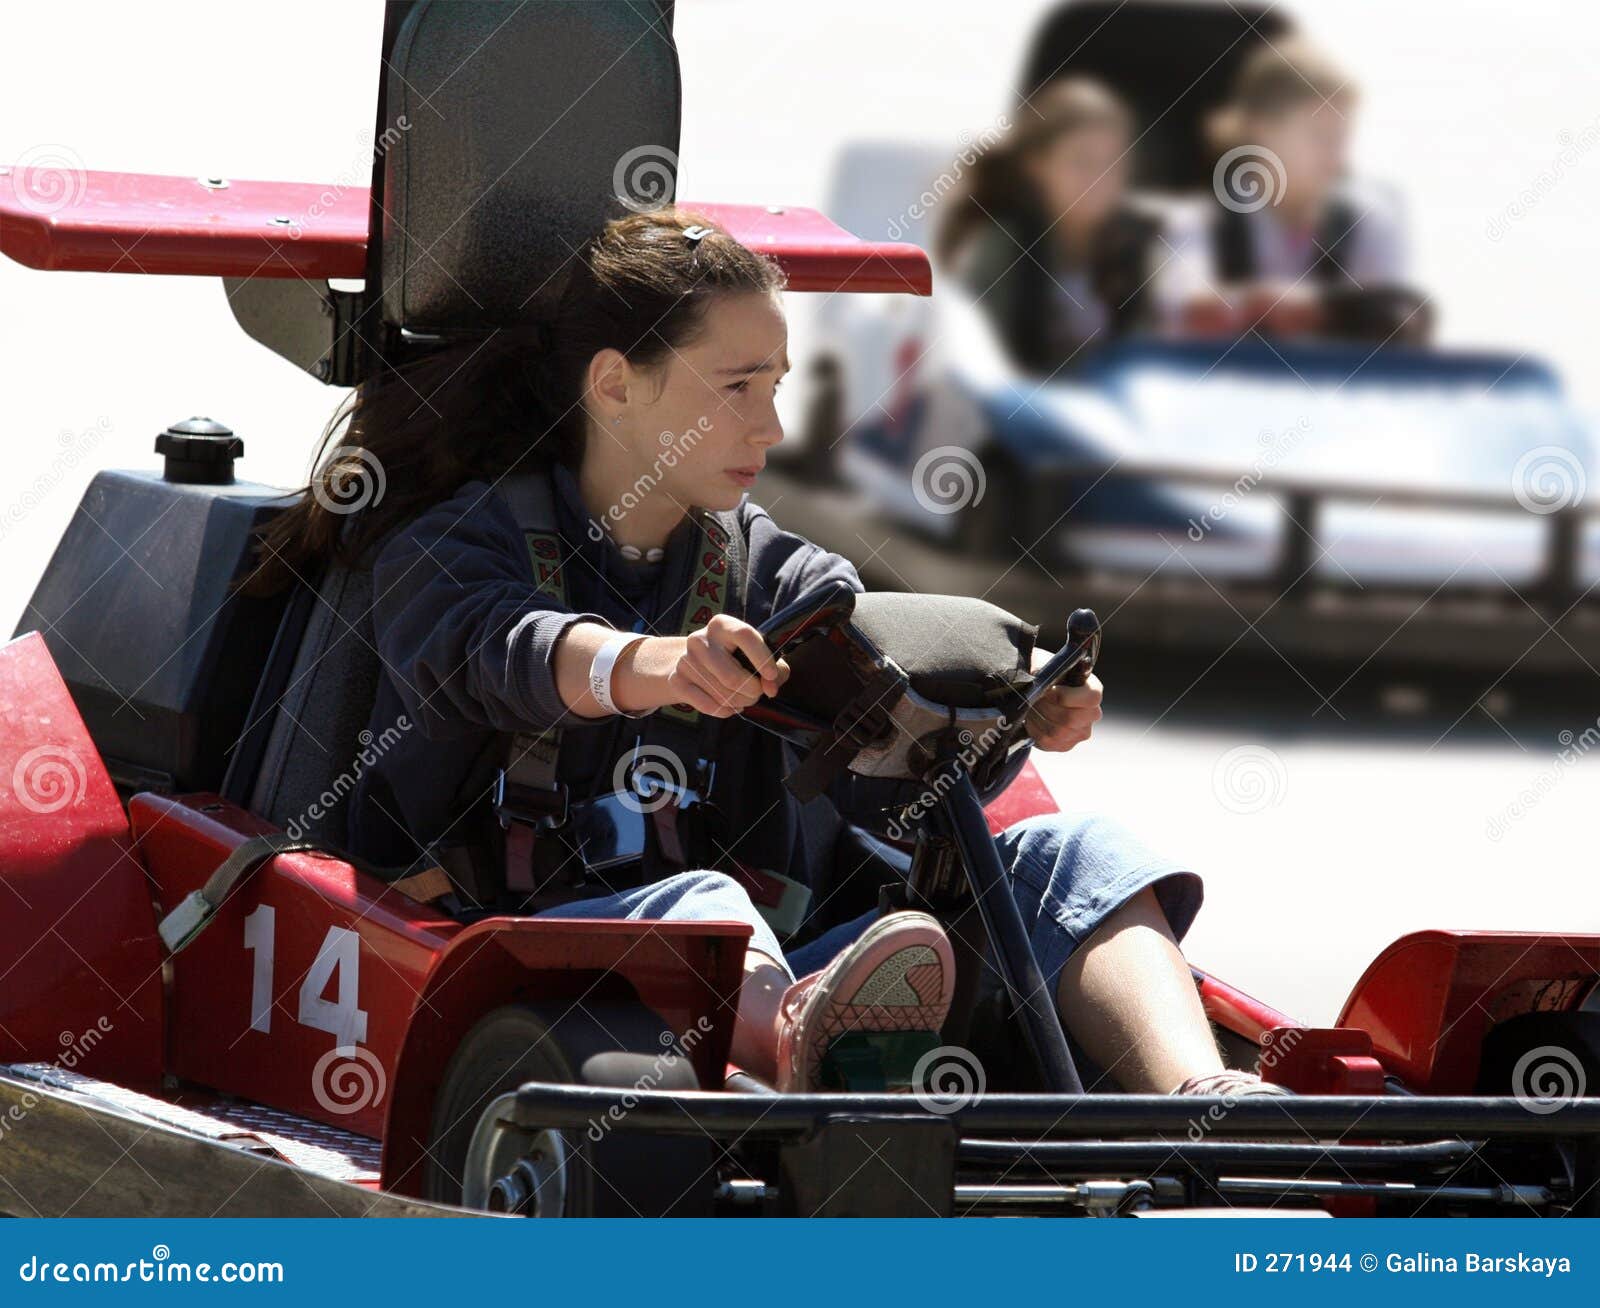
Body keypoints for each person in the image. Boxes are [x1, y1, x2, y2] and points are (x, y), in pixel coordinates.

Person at [253, 209, 1286, 1099]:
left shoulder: (759, 563)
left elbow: (869, 706)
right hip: (523, 961)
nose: (774, 424)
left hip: (785, 964)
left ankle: (1206, 1106)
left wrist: (1009, 716)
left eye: (777, 385)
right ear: (615, 386)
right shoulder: (452, 542)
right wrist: (654, 666)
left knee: (1070, 853)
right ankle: (812, 1063)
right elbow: (499, 650)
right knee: (706, 907)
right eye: (737, 387)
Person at [1160, 37, 1426, 342]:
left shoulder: (1372, 223)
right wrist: (1278, 307)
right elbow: (1183, 314)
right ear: (1262, 130)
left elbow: (1398, 323)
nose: (1336, 157)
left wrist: (1302, 309)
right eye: (1319, 136)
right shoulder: (1196, 224)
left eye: (1342, 137)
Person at [936, 77, 1170, 374]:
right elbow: (982, 366)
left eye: (1114, 164)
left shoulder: (1143, 246)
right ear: (1037, 166)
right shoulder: (1001, 250)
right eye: (1083, 162)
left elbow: (1153, 354)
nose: (1100, 179)